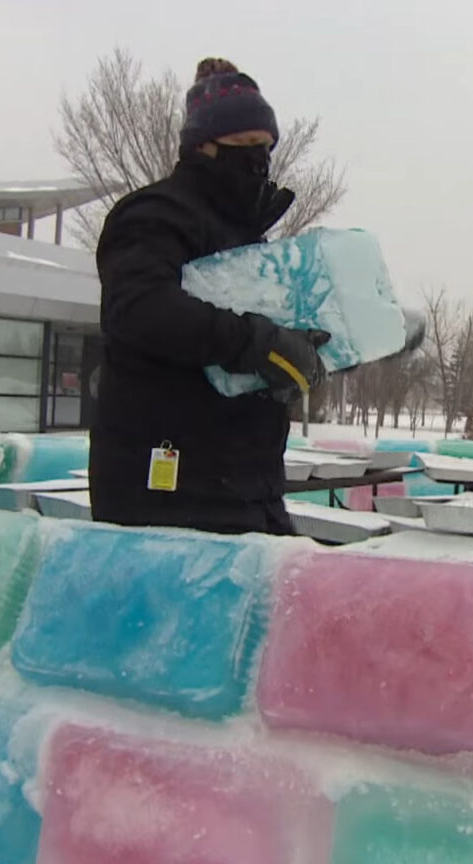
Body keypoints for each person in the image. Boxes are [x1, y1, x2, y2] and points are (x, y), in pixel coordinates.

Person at [89, 58, 327, 535]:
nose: (259, 158)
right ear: (203, 145)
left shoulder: (248, 239)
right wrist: (257, 343)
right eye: (244, 144)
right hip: (166, 490)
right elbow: (140, 309)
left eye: (266, 146)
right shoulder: (153, 215)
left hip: (247, 484)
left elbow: (252, 336)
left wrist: (294, 355)